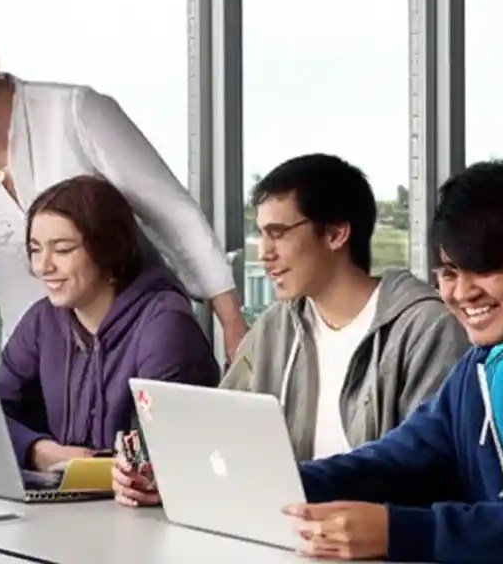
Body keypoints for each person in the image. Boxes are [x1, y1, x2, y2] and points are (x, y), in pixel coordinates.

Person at [0, 2, 246, 438]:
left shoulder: (76, 113)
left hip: (127, 351)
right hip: (38, 363)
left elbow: (173, 213)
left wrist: (233, 325)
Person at [278, 160, 503, 562]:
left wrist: (405, 533)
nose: (462, 293)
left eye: (484, 269)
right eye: (449, 272)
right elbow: (399, 460)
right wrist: (287, 483)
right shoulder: (483, 367)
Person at [112, 154, 469, 507]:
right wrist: (165, 472)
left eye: (278, 234)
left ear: (336, 233)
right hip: (282, 528)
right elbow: (219, 435)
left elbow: (426, 472)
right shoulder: (276, 326)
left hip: (372, 542)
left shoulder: (426, 329)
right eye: (261, 234)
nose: (264, 252)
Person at [0, 176, 220, 471]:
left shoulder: (165, 325)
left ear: (108, 248)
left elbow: (164, 452)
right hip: (69, 502)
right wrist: (39, 450)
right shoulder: (42, 320)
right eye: (36, 249)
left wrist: (86, 465)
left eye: (62, 250)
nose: (42, 267)